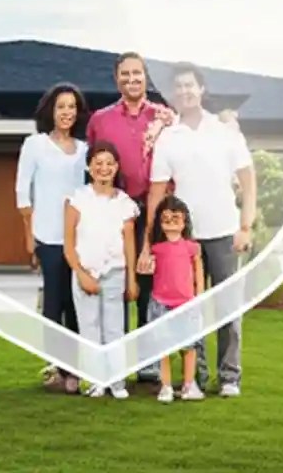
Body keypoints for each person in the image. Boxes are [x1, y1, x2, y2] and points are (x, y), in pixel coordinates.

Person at [85, 51, 238, 384]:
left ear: (146, 78)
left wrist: (228, 119)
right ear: (116, 79)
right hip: (119, 212)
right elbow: (93, 164)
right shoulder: (100, 120)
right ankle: (116, 365)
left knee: (159, 289)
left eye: (137, 73)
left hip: (162, 214)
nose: (131, 79)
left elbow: (202, 127)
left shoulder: (165, 117)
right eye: (125, 74)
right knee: (123, 287)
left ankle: (154, 364)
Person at [142, 61, 256, 398]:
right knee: (190, 311)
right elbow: (156, 194)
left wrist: (245, 226)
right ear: (172, 94)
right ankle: (197, 378)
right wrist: (150, 242)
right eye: (178, 87)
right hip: (185, 239)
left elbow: (248, 182)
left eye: (190, 85)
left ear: (201, 89)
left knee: (227, 308)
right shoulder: (168, 138)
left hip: (224, 232)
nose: (185, 91)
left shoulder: (225, 131)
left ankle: (229, 377)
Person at [15, 83, 89, 394]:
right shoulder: (35, 145)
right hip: (47, 236)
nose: (66, 112)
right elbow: (23, 193)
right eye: (61, 107)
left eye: (72, 107)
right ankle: (57, 367)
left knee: (76, 304)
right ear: (51, 111)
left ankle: (75, 370)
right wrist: (29, 238)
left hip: (80, 238)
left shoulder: (85, 150)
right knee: (53, 303)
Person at [63, 140, 140, 399]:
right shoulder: (77, 200)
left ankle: (117, 382)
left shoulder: (125, 203)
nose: (104, 168)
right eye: (98, 163)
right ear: (89, 167)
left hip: (115, 272)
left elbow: (129, 244)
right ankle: (95, 380)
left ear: (116, 167)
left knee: (114, 328)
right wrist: (81, 274)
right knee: (90, 327)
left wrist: (131, 279)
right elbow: (69, 245)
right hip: (85, 271)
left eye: (109, 163)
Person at [147, 194, 206, 403]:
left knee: (189, 346)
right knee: (163, 346)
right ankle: (166, 386)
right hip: (160, 302)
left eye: (176, 218)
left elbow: (198, 271)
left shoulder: (192, 247)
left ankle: (189, 384)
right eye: (166, 219)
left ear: (184, 221)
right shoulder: (155, 248)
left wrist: (200, 296)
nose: (171, 223)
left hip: (187, 303)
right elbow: (147, 269)